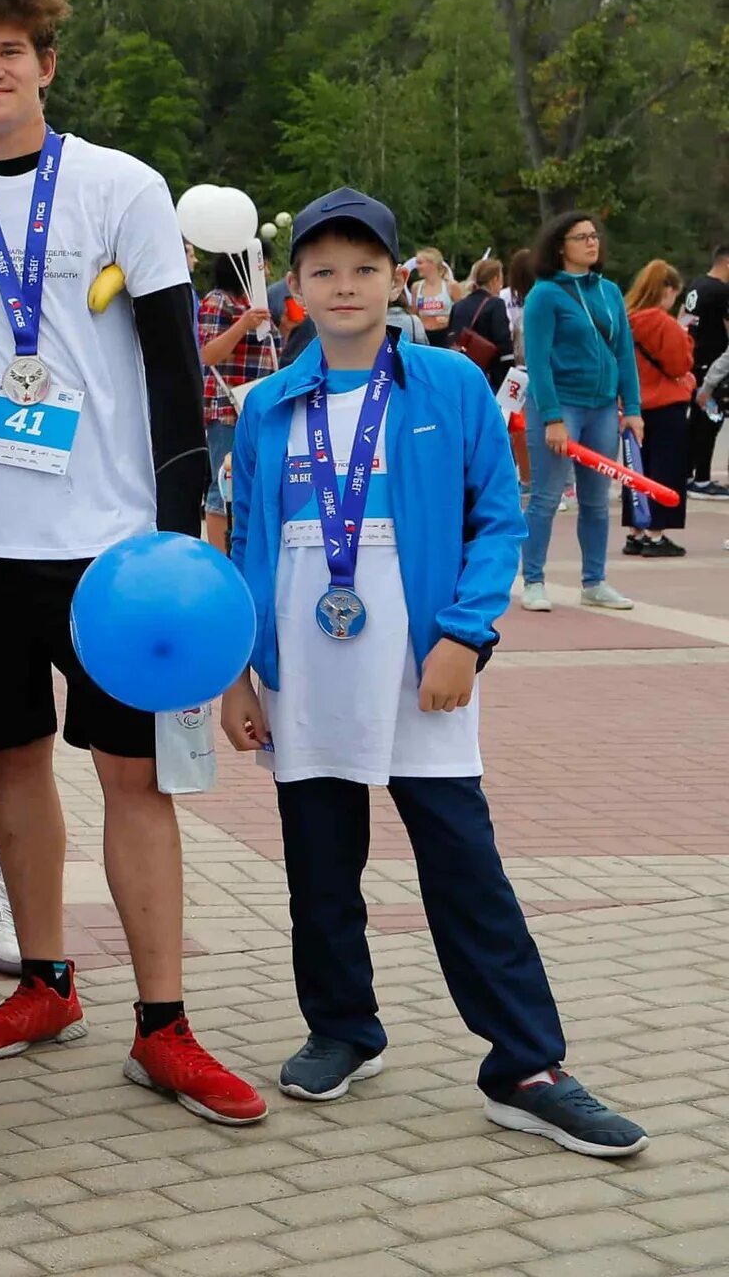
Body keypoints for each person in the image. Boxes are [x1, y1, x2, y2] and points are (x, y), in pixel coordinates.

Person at [0, 0, 263, 1124]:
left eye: (11, 51)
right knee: (9, 760)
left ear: (46, 62)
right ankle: (48, 980)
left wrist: (176, 538)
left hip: (111, 550)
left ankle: (164, 1023)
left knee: (132, 774)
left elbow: (173, 371)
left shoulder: (123, 185)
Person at [218, 189, 644, 1158]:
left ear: (395, 280)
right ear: (295, 288)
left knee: (462, 863)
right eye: (322, 269)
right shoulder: (270, 405)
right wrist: (242, 670)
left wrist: (464, 632)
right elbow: (244, 533)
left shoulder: (449, 384)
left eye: (364, 268)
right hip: (301, 659)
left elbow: (498, 514)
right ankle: (344, 1028)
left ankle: (526, 1065)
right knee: (319, 862)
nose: (344, 286)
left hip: (422, 659)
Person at [515, 212, 643, 612]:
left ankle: (595, 580)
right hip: (559, 405)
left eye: (594, 236)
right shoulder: (544, 294)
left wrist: (633, 408)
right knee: (546, 496)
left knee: (596, 500)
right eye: (581, 237)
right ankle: (533, 580)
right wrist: (552, 417)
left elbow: (624, 352)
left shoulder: (610, 292)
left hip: (602, 406)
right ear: (560, 246)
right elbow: (537, 360)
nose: (592, 243)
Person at [196, 251, 280, 552]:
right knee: (224, 481)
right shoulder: (219, 300)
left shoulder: (254, 303)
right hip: (227, 405)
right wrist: (242, 325)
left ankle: (243, 549)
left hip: (256, 404)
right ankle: (220, 557)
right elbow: (207, 354)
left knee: (250, 479)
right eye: (261, 263)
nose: (266, 270)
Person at [624, 259, 692, 558]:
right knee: (666, 468)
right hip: (666, 404)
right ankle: (656, 533)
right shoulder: (664, 323)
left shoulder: (626, 318)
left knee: (635, 468)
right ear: (666, 290)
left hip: (634, 404)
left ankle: (635, 530)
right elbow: (680, 364)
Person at [676, 246, 729, 495]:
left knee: (694, 421)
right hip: (713, 366)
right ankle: (702, 480)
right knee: (709, 421)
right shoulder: (722, 292)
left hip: (692, 362)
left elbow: (684, 320)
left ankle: (685, 473)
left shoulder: (697, 285)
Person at [450, 257, 514, 376]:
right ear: (495, 279)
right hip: (487, 373)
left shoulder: (458, 305)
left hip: (461, 368)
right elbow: (503, 341)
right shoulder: (496, 304)